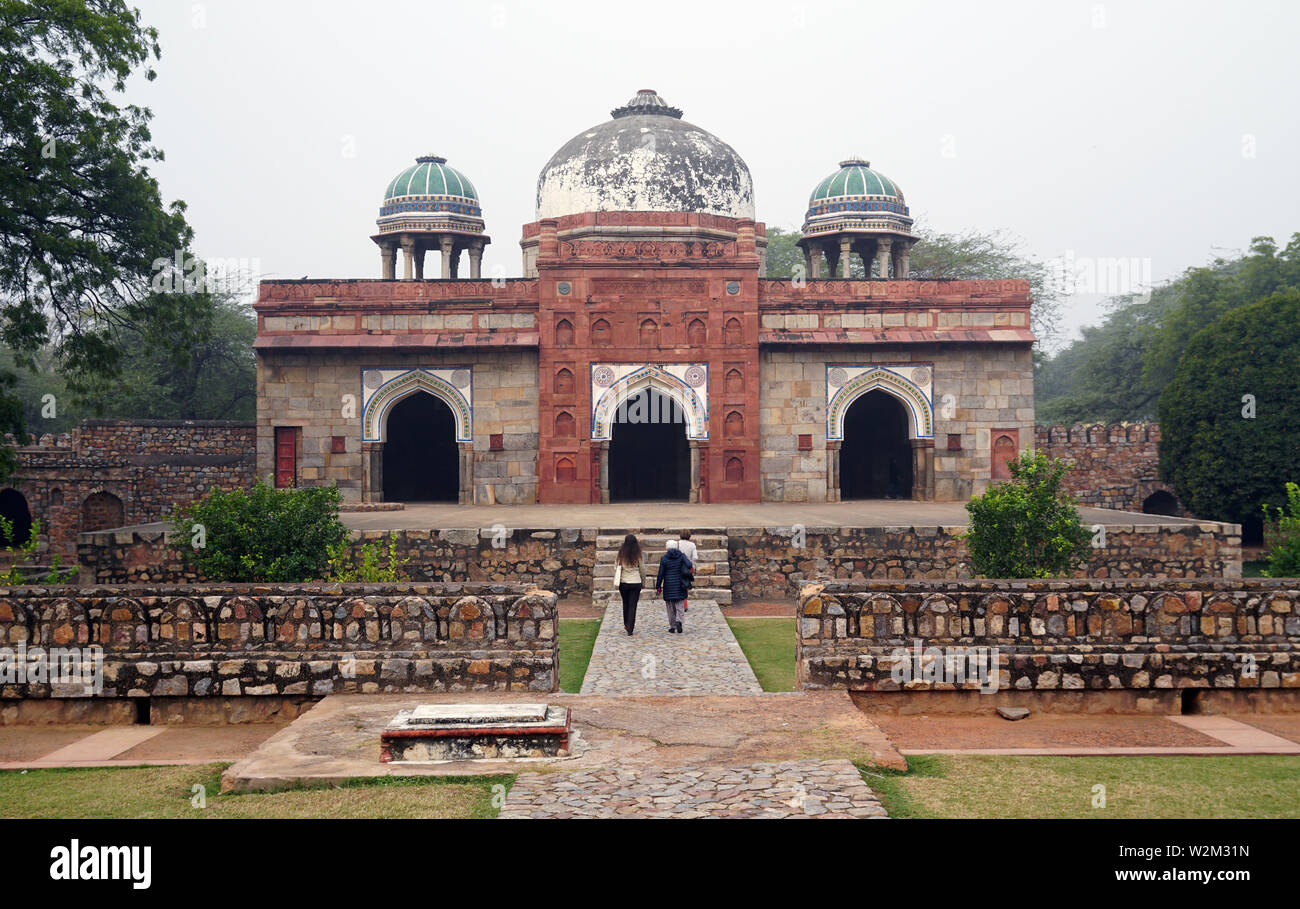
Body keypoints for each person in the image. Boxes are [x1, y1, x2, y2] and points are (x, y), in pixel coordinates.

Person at [656, 538, 694, 634]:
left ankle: (672, 626)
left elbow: (661, 573)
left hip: (668, 585)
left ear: (667, 548)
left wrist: (658, 586)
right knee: (680, 605)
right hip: (680, 584)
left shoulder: (664, 558)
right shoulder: (681, 556)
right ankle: (679, 621)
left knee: (670, 607)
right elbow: (689, 564)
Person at [612, 533, 645, 635]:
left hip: (624, 582)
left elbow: (615, 567)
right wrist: (643, 582)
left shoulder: (621, 554)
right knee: (633, 605)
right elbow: (642, 569)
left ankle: (626, 624)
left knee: (625, 604)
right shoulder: (638, 554)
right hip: (635, 581)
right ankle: (630, 627)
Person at [676, 530, 698, 613]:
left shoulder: (677, 544)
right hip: (687, 567)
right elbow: (695, 557)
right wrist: (692, 566)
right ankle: (684, 604)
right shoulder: (692, 545)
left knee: (678, 585)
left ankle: (678, 604)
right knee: (685, 585)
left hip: (678, 567)